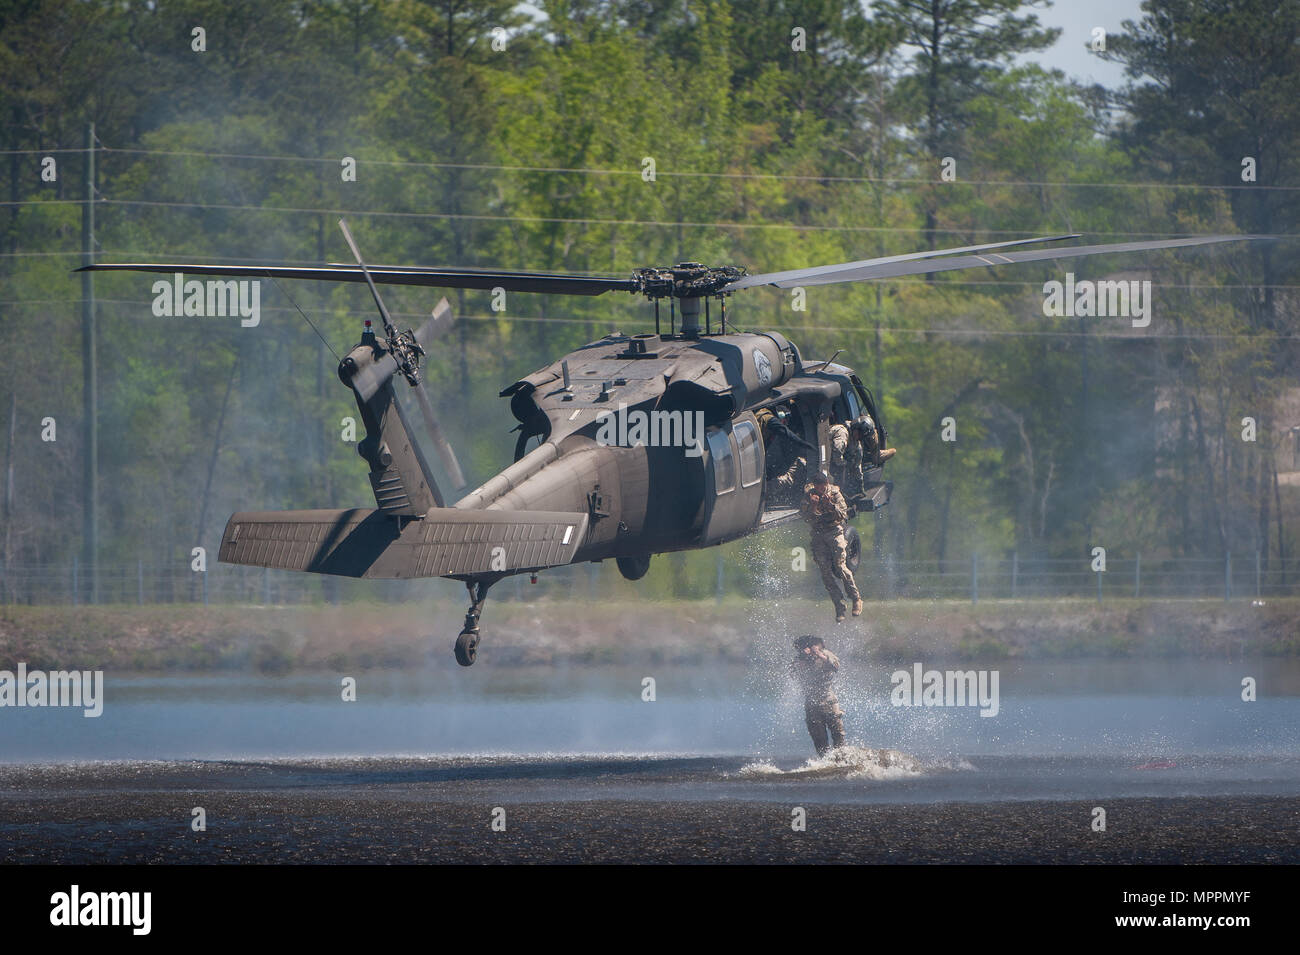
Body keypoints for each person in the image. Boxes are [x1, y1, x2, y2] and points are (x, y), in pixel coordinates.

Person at [799, 469, 862, 622]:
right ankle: (839, 606)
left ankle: (856, 598)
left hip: (834, 531)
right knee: (825, 573)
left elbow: (843, 515)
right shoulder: (809, 496)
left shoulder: (835, 494)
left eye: (823, 486)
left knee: (840, 566)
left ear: (826, 484)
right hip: (818, 533)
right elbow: (805, 518)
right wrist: (813, 507)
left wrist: (831, 505)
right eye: (818, 487)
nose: (820, 490)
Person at [790, 635, 846, 756]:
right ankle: (824, 762)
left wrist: (820, 656)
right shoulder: (800, 659)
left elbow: (836, 666)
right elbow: (792, 674)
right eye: (801, 649)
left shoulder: (825, 654)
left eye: (806, 648)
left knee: (838, 733)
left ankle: (841, 759)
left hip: (828, 700)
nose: (805, 651)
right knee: (819, 738)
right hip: (811, 703)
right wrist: (799, 664)